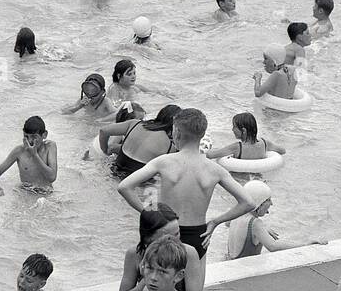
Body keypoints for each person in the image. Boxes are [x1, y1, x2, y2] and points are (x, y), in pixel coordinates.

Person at [116, 109, 253, 258]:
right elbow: (248, 202)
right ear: (202, 134)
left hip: (166, 231)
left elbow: (124, 186)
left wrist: (147, 213)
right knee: (195, 280)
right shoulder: (215, 170)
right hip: (198, 234)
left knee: (161, 277)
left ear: (177, 132)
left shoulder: (163, 162)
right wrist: (215, 222)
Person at [225, 182, 324, 258]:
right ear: (260, 202)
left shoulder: (236, 215)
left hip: (230, 263)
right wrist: (305, 244)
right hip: (244, 272)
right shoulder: (255, 223)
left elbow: (228, 224)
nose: (271, 203)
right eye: (268, 200)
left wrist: (262, 230)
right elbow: (273, 246)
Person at [98, 103, 180, 175]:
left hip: (113, 171)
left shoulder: (134, 123)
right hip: (136, 183)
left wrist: (104, 150)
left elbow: (103, 131)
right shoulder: (170, 147)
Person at [0, 117, 57, 195]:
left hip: (46, 192)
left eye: (34, 137)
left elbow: (52, 177)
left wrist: (34, 155)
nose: (30, 141)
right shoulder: (19, 151)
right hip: (26, 191)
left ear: (44, 135)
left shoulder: (49, 147)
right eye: (26, 136)